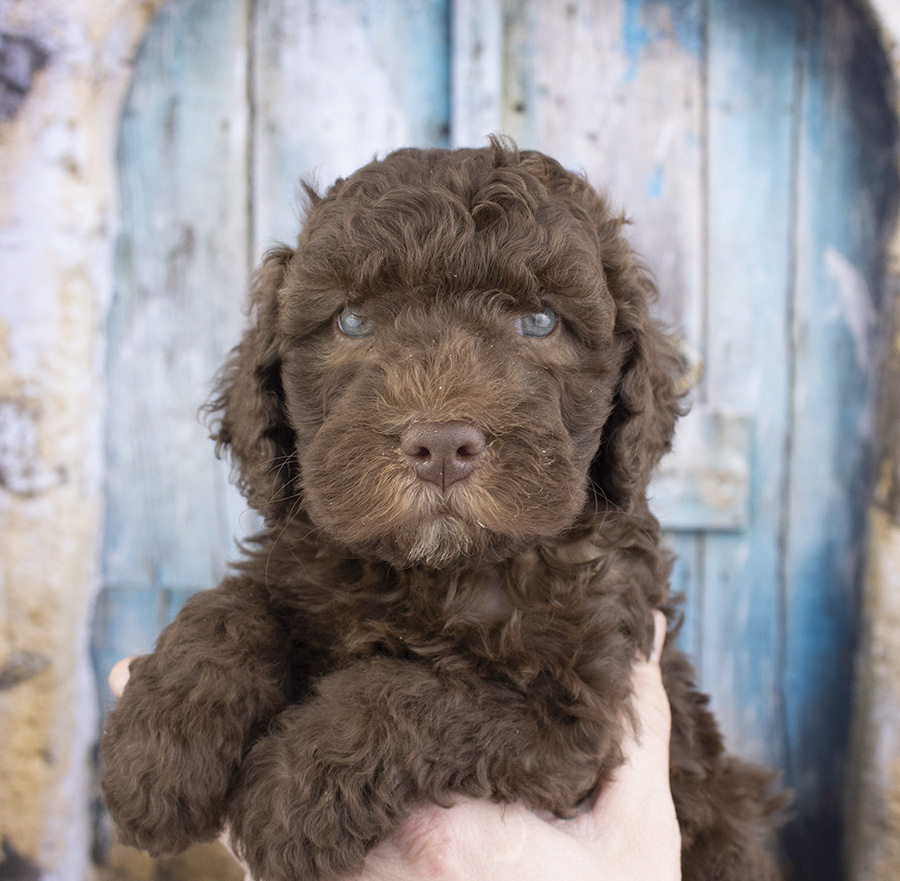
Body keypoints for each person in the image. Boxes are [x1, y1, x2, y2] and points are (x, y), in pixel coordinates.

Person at [108, 611, 681, 881]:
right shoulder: (307, 548)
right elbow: (283, 614)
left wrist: (380, 729)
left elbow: (567, 728)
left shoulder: (586, 573)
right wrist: (215, 655)